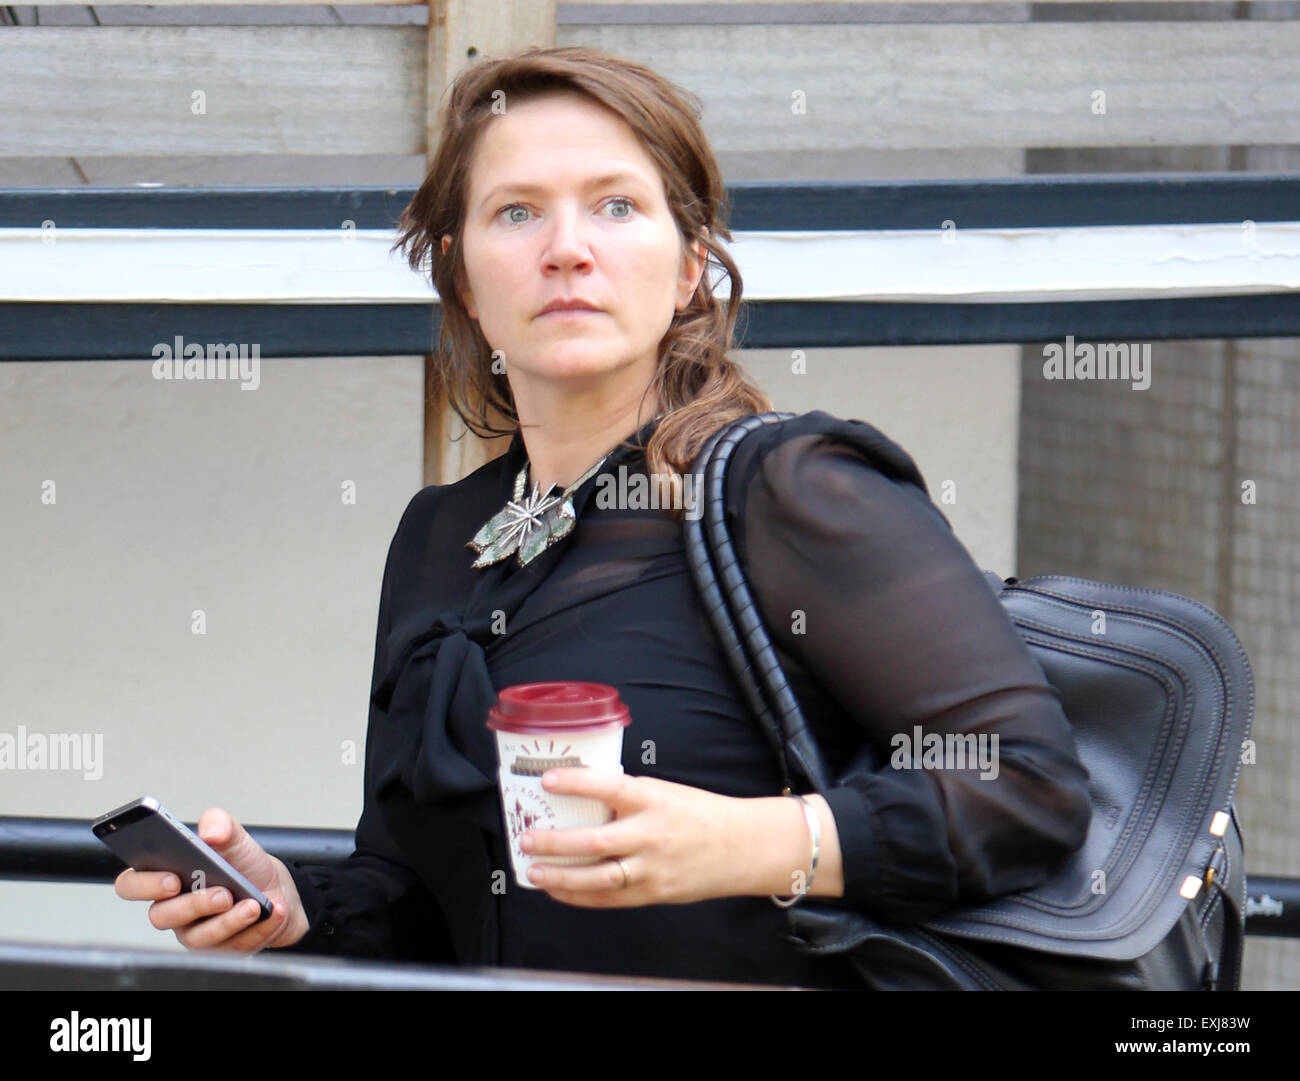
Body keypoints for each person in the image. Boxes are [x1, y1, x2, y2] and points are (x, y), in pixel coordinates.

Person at [113, 45, 1092, 989]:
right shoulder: (439, 535)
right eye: (516, 212)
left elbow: (1028, 790)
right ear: (459, 272)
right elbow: (428, 895)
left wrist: (749, 843)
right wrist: (293, 906)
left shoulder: (789, 488)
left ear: (686, 269)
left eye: (616, 206)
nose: (567, 250)